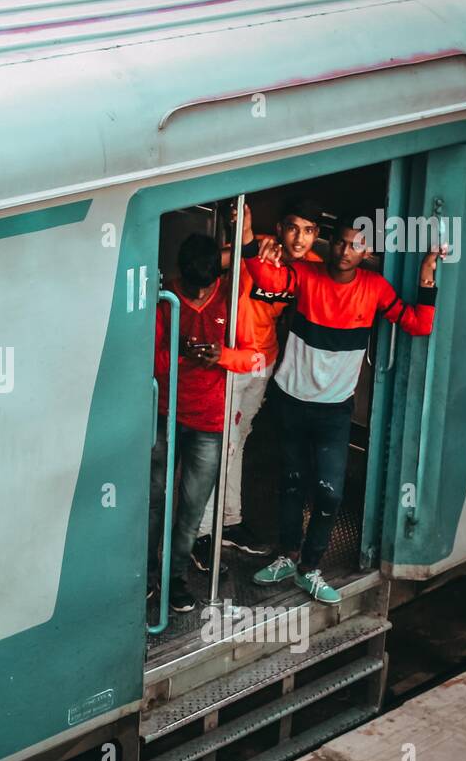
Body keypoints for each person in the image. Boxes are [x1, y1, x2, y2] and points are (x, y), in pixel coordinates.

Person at [241, 212, 445, 604]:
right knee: (291, 484)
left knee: (330, 492)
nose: (345, 250)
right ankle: (288, 554)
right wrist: (250, 236)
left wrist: (426, 274)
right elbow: (268, 280)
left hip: (334, 411)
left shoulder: (375, 288)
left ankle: (310, 568)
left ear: (366, 251)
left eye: (355, 244)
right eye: (340, 242)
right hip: (291, 399)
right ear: (329, 244)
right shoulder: (305, 275)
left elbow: (419, 324)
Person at [192, 198, 327, 568]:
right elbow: (200, 266)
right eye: (294, 228)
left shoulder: (312, 269)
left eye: (310, 231)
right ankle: (200, 533)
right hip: (229, 361)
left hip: (262, 361)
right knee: (221, 445)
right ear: (281, 228)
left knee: (238, 442)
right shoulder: (256, 249)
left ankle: (230, 522)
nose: (300, 238)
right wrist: (244, 240)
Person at [150, 232, 261, 614]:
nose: (198, 297)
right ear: (181, 278)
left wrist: (223, 356)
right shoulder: (164, 301)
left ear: (218, 278)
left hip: (209, 420)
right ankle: (148, 575)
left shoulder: (232, 301)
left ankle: (175, 578)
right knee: (154, 500)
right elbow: (147, 363)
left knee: (192, 507)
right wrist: (182, 354)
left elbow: (253, 358)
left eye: (206, 288)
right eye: (192, 289)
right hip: (164, 413)